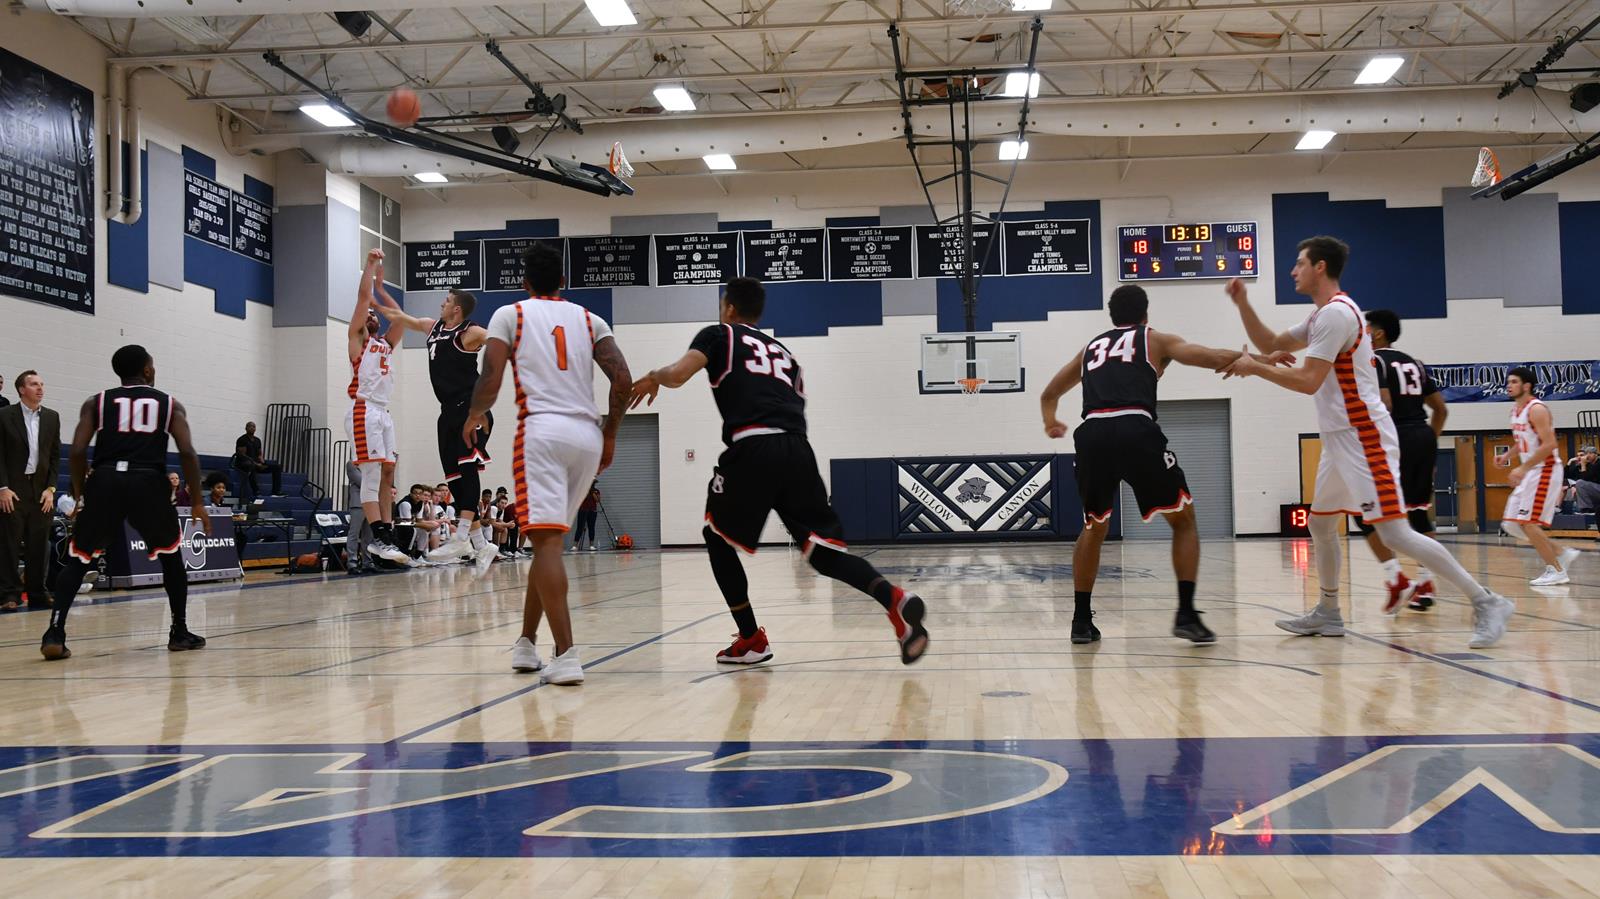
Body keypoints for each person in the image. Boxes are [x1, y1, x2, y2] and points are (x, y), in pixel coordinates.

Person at [1220, 237, 1513, 649]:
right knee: (1320, 523)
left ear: (1320, 267)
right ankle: (1328, 611)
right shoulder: (1323, 315)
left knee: (1394, 534)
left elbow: (1307, 381)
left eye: (1299, 263)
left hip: (1364, 437)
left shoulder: (1337, 316)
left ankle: (1487, 601)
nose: (1293, 271)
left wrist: (1255, 369)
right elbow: (1272, 345)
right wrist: (1242, 304)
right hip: (1340, 439)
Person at [630, 276, 930, 668]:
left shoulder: (719, 334)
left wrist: (654, 375)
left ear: (730, 308)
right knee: (824, 554)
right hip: (798, 449)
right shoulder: (786, 355)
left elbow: (680, 373)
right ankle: (893, 600)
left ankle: (751, 638)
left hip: (754, 446)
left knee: (716, 536)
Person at [1039, 285, 1255, 645]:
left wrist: (1051, 422)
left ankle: (1080, 621)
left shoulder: (1091, 348)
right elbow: (1210, 356)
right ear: (1145, 316)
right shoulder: (1153, 339)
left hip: (1091, 433)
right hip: (1134, 428)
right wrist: (1259, 359)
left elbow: (1049, 394)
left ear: (1111, 317)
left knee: (1093, 527)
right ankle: (1186, 613)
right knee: (1184, 520)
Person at [465, 240, 634, 686]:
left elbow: (491, 374)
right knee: (548, 546)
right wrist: (611, 433)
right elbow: (623, 379)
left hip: (541, 431)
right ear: (563, 281)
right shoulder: (589, 318)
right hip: (586, 436)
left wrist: (475, 414)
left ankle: (567, 655)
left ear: (524, 282)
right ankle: (526, 643)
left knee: (546, 546)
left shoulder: (511, 314)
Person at [42, 345, 211, 660]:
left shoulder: (97, 402)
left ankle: (55, 631)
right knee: (171, 558)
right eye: (153, 364)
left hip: (105, 479)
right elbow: (187, 452)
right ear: (147, 370)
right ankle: (179, 631)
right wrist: (198, 501)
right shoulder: (170, 404)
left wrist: (80, 491)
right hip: (148, 481)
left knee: (80, 557)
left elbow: (77, 450)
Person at [369, 284, 500, 573]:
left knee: (468, 472)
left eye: (447, 301)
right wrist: (376, 303)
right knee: (453, 479)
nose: (442, 304)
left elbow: (500, 342)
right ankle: (482, 545)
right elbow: (404, 318)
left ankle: (462, 535)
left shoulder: (471, 332)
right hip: (447, 412)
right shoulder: (434, 328)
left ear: (457, 309)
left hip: (471, 409)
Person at [1358, 309, 1450, 612]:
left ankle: (1395, 578)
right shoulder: (1415, 363)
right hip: (1422, 435)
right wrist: (1429, 445)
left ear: (1379, 332)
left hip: (1392, 438)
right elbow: (1440, 410)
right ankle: (1425, 582)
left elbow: (1382, 405)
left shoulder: (1373, 361)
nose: (1362, 332)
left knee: (1365, 509)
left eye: (1367, 328)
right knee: (1418, 513)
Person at [346, 248, 410, 565]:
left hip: (383, 413)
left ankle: (388, 534)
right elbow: (361, 298)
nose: (372, 315)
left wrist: (383, 292)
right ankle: (379, 539)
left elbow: (398, 317)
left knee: (388, 474)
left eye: (374, 315)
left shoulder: (385, 342)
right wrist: (371, 267)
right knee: (372, 477)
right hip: (364, 409)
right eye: (369, 315)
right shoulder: (358, 341)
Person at [1503, 368, 1582, 586]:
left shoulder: (1536, 409)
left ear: (1526, 386)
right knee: (1511, 524)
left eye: (1514, 382)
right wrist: (1507, 456)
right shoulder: (1515, 410)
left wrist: (1522, 468)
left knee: (1528, 523)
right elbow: (1523, 440)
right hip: (1531, 471)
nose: (1508, 385)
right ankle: (1560, 552)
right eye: (1508, 382)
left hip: (1545, 469)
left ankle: (1556, 569)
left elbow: (1549, 445)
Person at [0, 371, 62, 612]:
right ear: (21, 389)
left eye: (42, 384)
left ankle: (38, 593)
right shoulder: (4, 416)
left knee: (39, 544)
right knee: (9, 545)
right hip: (12, 489)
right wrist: (2, 488)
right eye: (34, 384)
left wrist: (51, 488)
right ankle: (9, 594)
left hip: (41, 491)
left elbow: (55, 456)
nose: (40, 388)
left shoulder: (52, 417)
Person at [233, 421, 282, 498]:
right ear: (246, 428)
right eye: (250, 426)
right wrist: (256, 464)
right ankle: (256, 491)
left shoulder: (257, 440)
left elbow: (259, 454)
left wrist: (262, 463)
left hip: (255, 463)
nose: (252, 428)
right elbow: (242, 456)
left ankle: (276, 491)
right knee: (250, 465)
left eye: (254, 426)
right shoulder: (242, 439)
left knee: (277, 467)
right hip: (243, 464)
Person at [1565, 444, 1600, 513]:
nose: (1588, 455)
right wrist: (1569, 462)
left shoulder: (1597, 464)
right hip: (1595, 489)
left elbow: (1586, 479)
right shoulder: (1579, 466)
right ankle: (1586, 509)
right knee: (1578, 484)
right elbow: (1566, 475)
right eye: (1587, 453)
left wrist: (1583, 465)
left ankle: (1587, 509)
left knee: (1580, 483)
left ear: (1596, 454)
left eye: (1590, 453)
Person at [574, 481, 601, 552]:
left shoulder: (596, 491)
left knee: (591, 527)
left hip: (592, 511)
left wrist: (592, 492)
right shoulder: (582, 490)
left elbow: (597, 500)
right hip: (583, 510)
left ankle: (591, 545)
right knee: (580, 527)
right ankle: (575, 545)